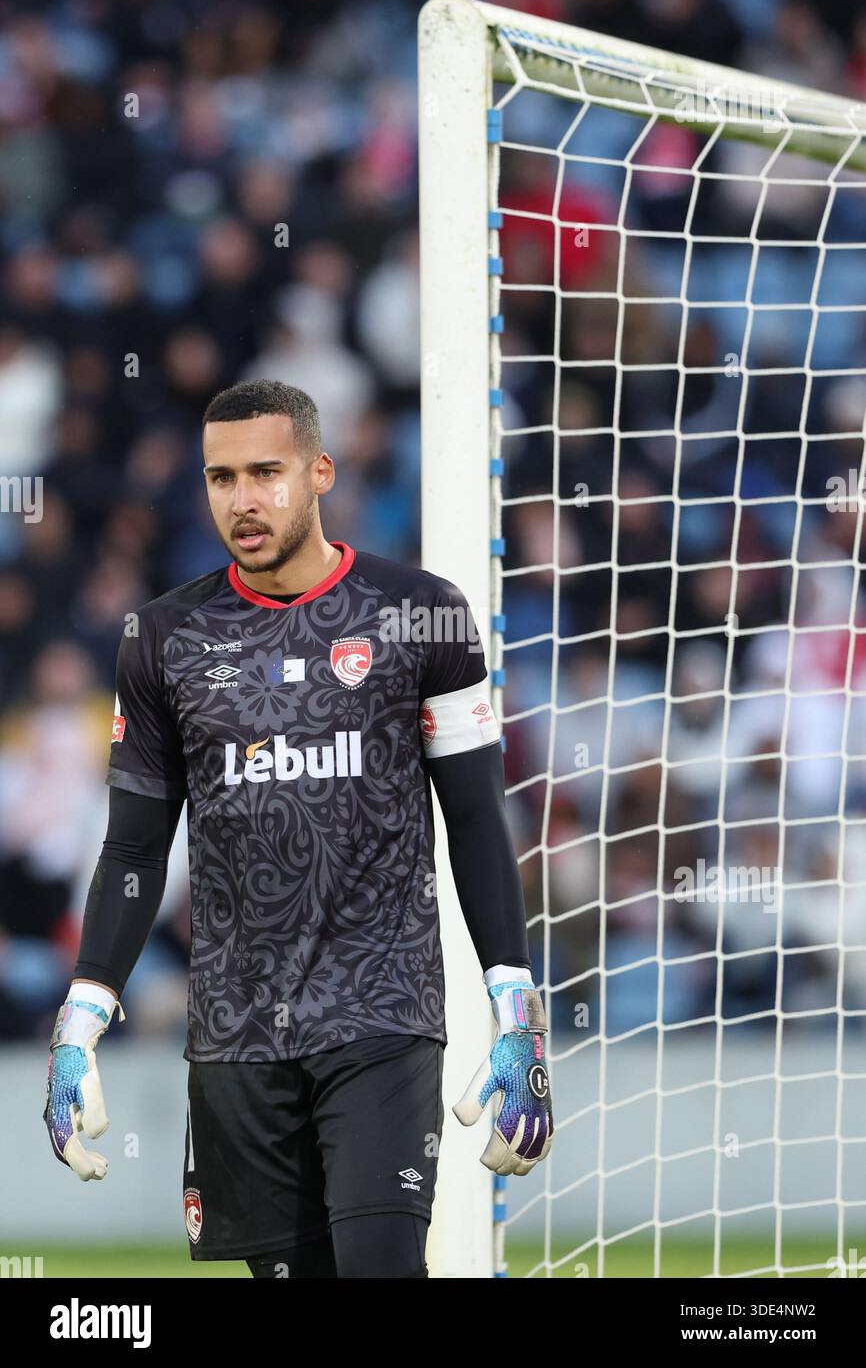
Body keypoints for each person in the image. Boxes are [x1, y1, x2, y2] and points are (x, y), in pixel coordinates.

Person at [42, 379, 553, 1279]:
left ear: (320, 471)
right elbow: (132, 849)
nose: (243, 500)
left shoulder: (421, 615)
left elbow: (474, 819)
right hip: (237, 1032)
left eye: (267, 472)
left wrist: (517, 1012)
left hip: (382, 1007)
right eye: (221, 478)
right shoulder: (163, 638)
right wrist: (81, 1020)